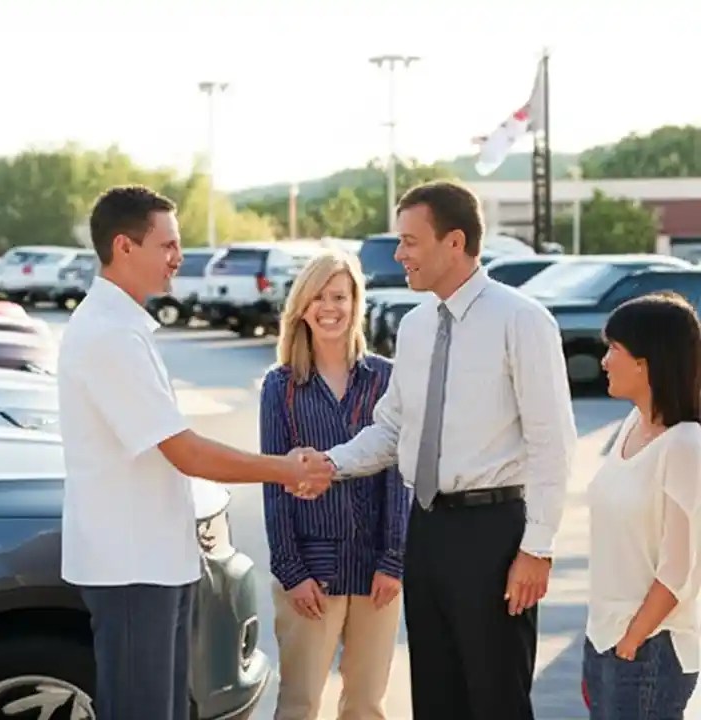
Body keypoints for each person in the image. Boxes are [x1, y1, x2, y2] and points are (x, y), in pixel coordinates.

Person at [58, 184, 334, 720]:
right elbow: (184, 451)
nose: (178, 259)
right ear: (124, 247)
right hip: (132, 566)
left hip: (152, 560)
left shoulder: (123, 328)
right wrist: (283, 469)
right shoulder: (110, 336)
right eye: (168, 246)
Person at [306, 180, 578, 720]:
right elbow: (392, 429)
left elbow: (553, 441)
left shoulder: (521, 321)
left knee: (495, 698)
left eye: (409, 241)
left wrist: (538, 548)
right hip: (426, 530)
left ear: (454, 243)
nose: (399, 253)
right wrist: (330, 464)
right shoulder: (414, 326)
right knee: (435, 695)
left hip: (495, 533)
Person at [260, 249, 410, 720]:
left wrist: (394, 560)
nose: (330, 307)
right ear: (302, 307)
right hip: (311, 573)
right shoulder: (280, 387)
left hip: (377, 573)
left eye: (340, 296)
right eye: (319, 296)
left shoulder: (386, 378)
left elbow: (398, 473)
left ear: (356, 303)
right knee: (300, 703)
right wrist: (291, 571)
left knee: (366, 704)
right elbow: (274, 483)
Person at [584, 292, 701, 719]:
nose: (603, 361)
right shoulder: (632, 425)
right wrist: (604, 647)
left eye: (614, 349)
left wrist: (631, 641)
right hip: (606, 640)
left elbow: (678, 570)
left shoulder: (686, 445)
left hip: (652, 647)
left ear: (646, 363)